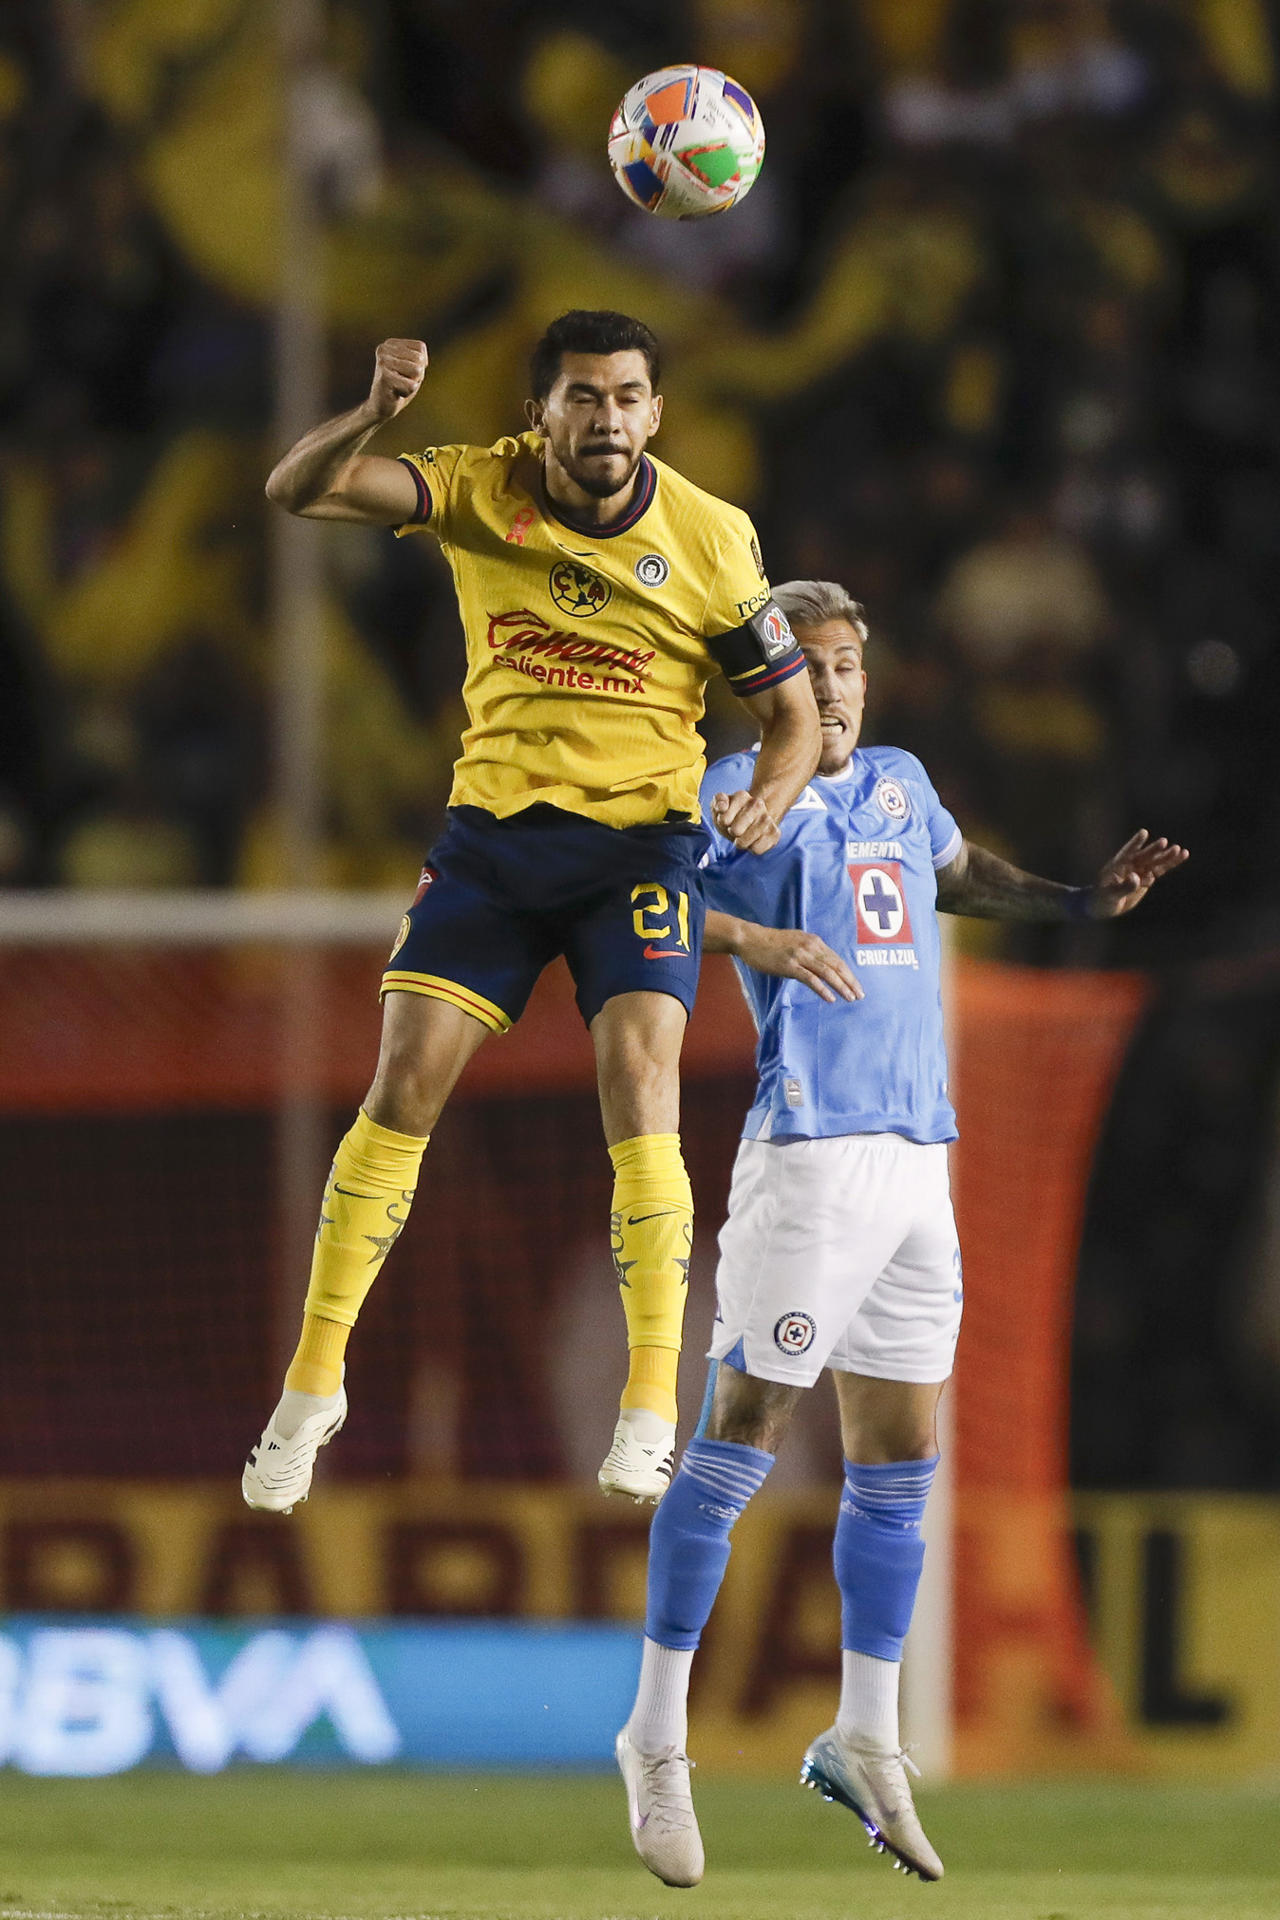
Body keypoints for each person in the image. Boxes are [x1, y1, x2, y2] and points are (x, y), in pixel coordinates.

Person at [615, 578, 1187, 1888]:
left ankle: (863, 1735)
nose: (831, 687)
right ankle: (655, 1734)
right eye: (807, 667)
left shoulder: (900, 783)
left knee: (901, 1452)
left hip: (921, 1157)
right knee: (743, 1430)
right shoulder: (730, 793)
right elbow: (636, 913)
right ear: (764, 684)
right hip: (809, 1153)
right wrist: (758, 936)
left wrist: (1078, 903)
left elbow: (954, 873)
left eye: (847, 665)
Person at [244, 310, 821, 1512]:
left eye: (626, 396)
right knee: (402, 1087)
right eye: (582, 396)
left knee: (640, 1082)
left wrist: (766, 801)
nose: (605, 418)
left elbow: (792, 714)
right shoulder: (473, 488)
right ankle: (312, 1387)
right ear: (538, 413)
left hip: (640, 852)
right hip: (496, 843)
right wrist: (372, 414)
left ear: (655, 413)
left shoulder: (710, 537)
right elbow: (296, 489)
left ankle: (649, 1401)